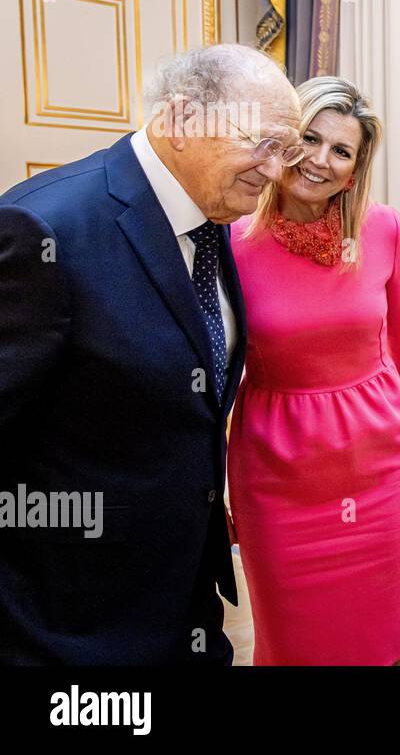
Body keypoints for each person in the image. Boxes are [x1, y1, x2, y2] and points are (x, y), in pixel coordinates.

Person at [0, 44, 300, 664]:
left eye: (286, 150)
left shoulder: (211, 222)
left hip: (185, 603)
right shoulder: (43, 228)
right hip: (67, 624)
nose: (276, 172)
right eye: (263, 144)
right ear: (182, 119)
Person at [227, 76, 400, 665]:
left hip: (378, 461)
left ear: (355, 167)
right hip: (276, 467)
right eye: (308, 138)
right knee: (295, 641)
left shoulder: (386, 228)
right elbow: (211, 360)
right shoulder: (230, 237)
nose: (319, 160)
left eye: (340, 150)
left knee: (378, 639)